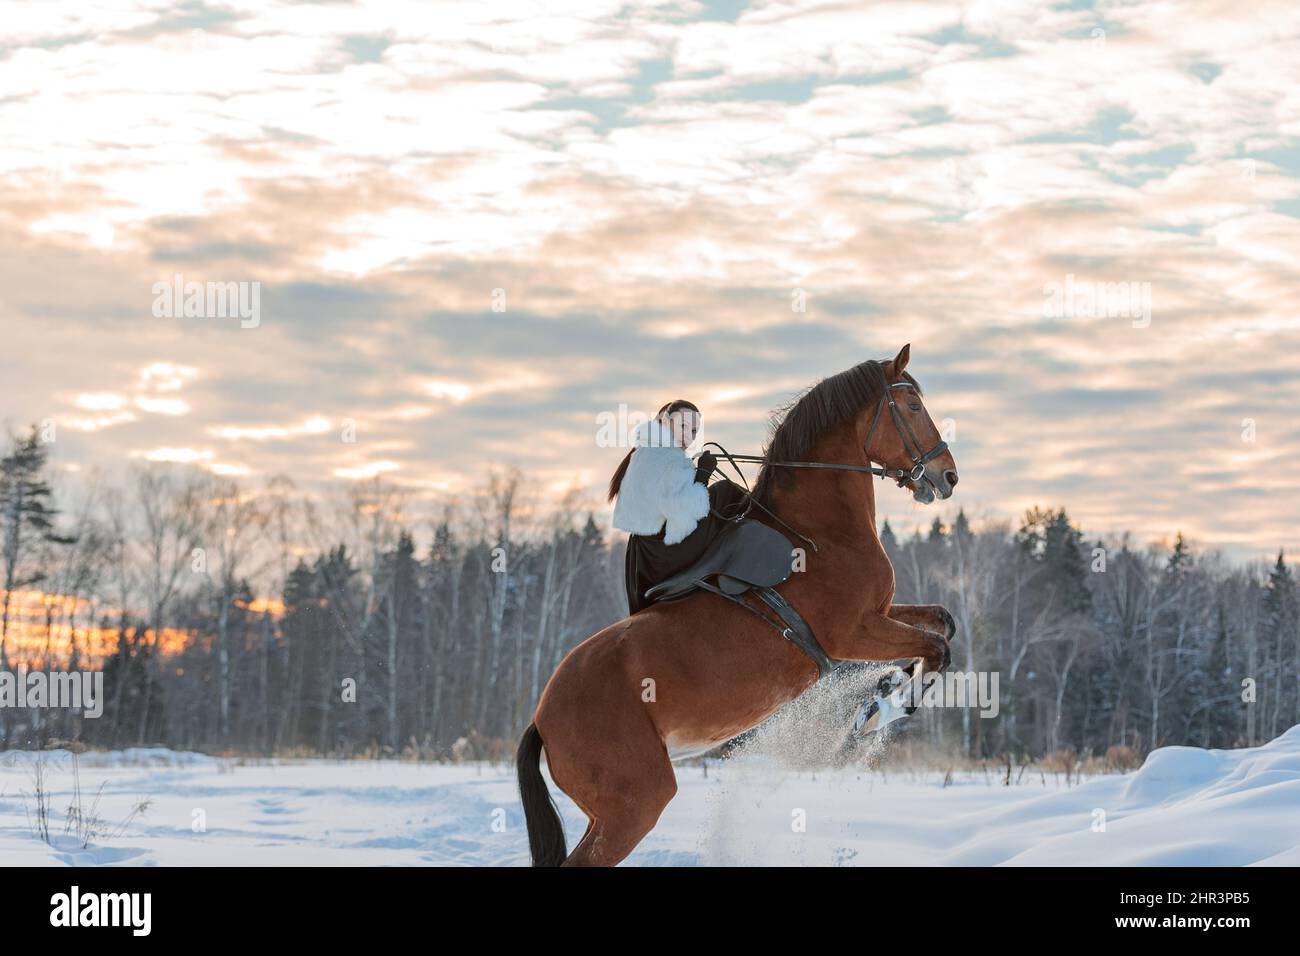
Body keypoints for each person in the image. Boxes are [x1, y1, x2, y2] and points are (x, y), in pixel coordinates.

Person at [608, 400, 722, 614]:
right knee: (726, 492)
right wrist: (704, 474)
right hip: (662, 550)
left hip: (653, 550)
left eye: (694, 430)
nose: (689, 436)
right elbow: (684, 508)